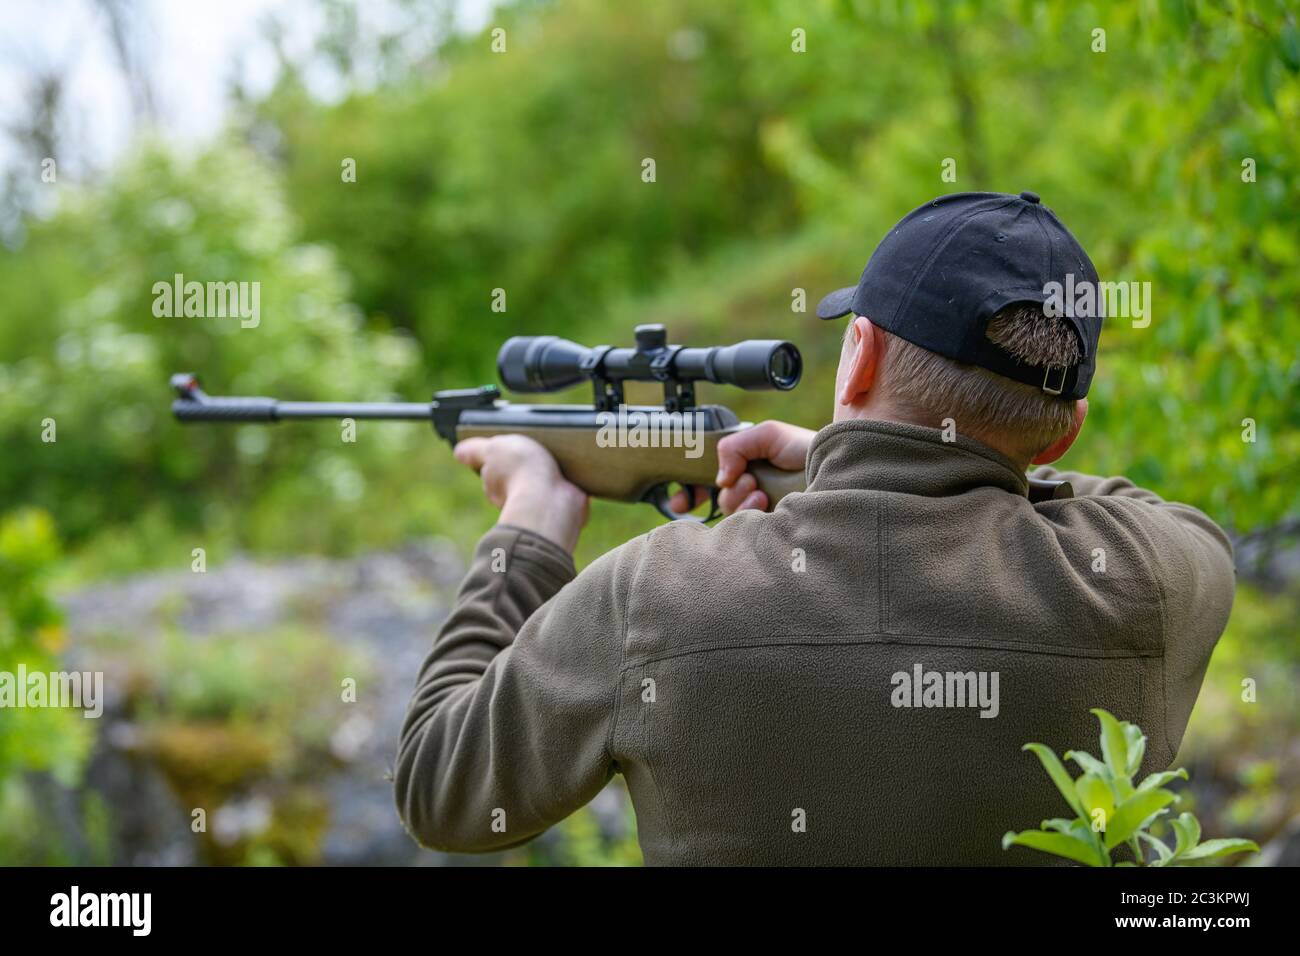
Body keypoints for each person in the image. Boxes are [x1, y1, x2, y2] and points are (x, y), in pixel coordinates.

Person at [394, 192, 1235, 865]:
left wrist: (529, 533)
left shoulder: (653, 593)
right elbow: (1170, 523)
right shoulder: (1144, 581)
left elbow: (441, 790)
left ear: (858, 354)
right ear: (1066, 432)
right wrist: (856, 461)